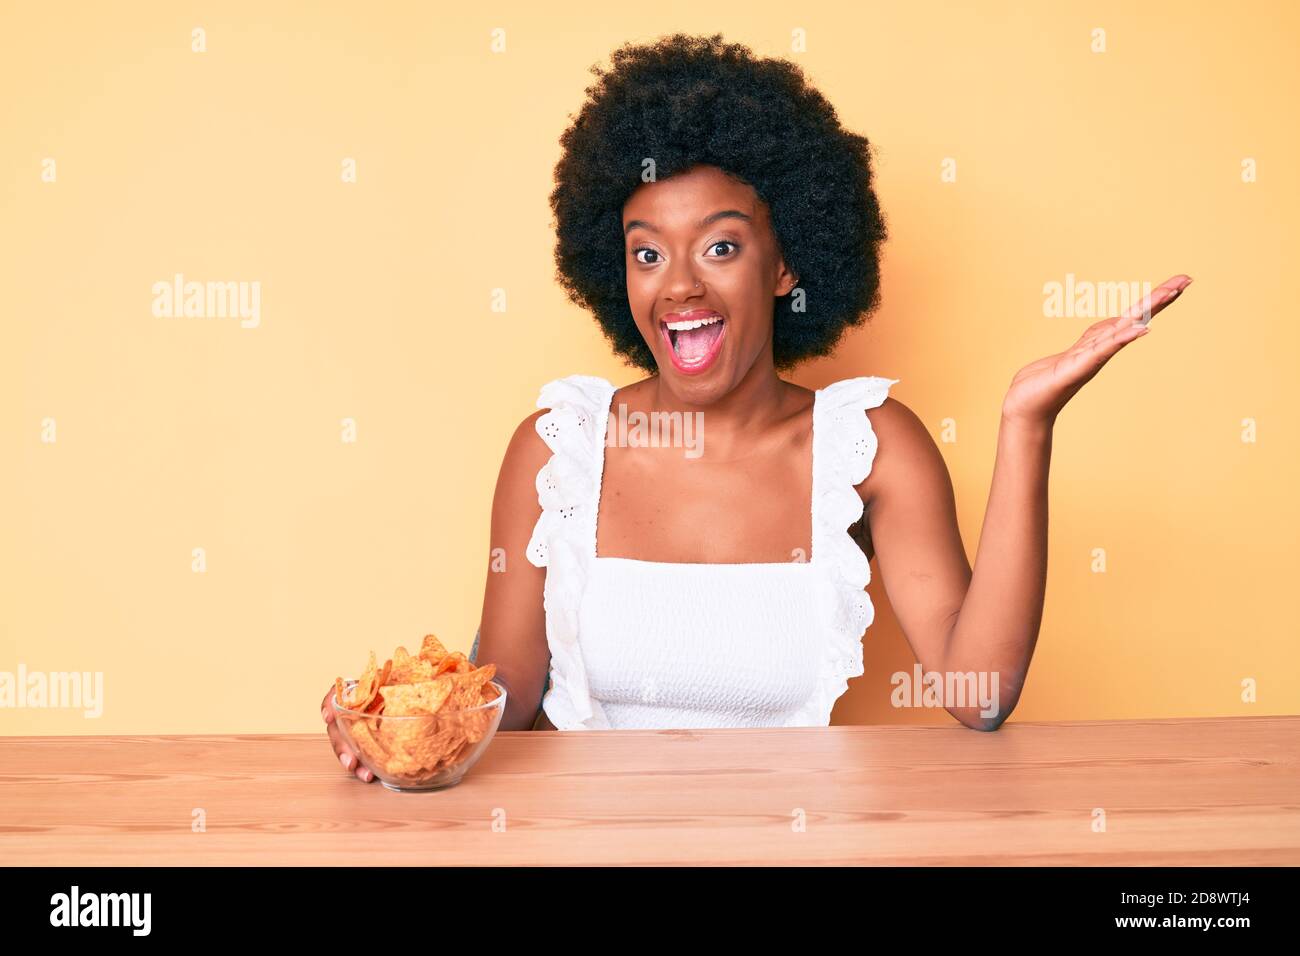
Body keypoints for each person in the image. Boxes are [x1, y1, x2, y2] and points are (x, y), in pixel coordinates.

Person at [324, 32, 1189, 779]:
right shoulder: (559, 448)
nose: (681, 286)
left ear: (786, 266)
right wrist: (398, 728)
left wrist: (1024, 425)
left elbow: (982, 695)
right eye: (648, 254)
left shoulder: (869, 445)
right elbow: (500, 694)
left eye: (722, 246)